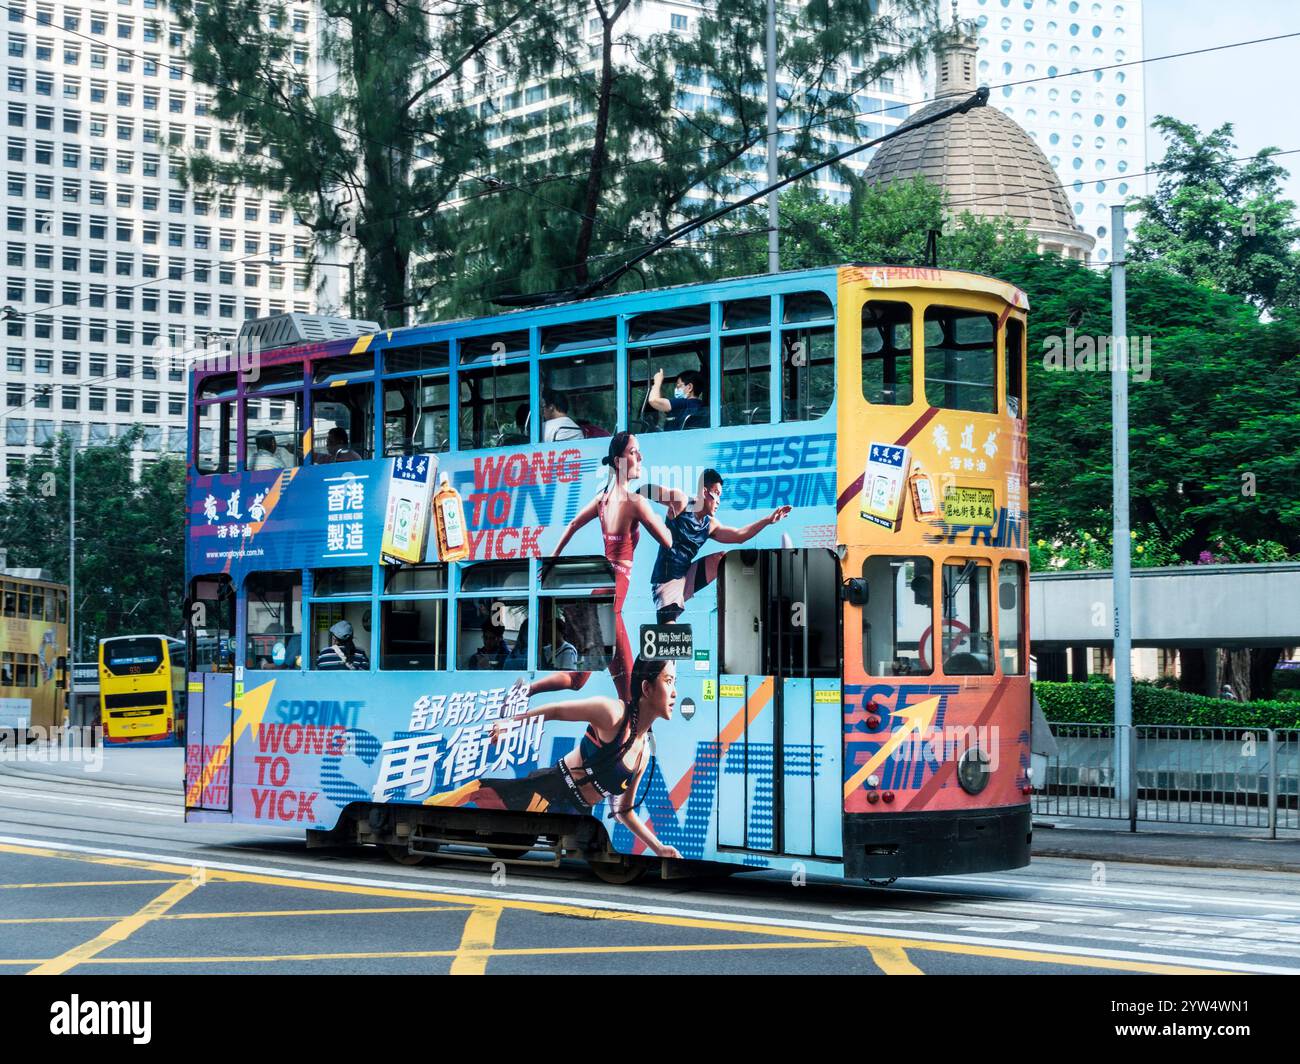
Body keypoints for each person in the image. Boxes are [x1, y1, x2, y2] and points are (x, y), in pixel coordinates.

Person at [438, 656, 684, 860]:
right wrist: (510, 725)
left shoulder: (643, 755)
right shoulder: (612, 714)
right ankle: (435, 809)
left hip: (577, 811)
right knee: (477, 790)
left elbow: (624, 812)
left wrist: (658, 848)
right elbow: (557, 711)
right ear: (647, 688)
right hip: (547, 789)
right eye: (669, 681)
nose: (675, 693)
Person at [533, 432, 672, 701]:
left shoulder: (602, 500)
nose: (640, 457)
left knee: (578, 681)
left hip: (600, 596)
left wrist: (552, 559)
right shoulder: (636, 503)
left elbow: (573, 525)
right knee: (630, 689)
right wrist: (671, 510)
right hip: (610, 601)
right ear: (619, 460)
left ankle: (525, 689)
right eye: (634, 452)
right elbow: (667, 540)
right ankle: (633, 738)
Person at [644, 469, 792, 623]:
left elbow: (739, 535)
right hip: (666, 581)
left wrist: (768, 520)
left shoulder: (710, 525)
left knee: (722, 560)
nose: (719, 501)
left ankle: (754, 594)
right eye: (716, 494)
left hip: (686, 576)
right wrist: (630, 506)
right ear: (704, 492)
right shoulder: (681, 502)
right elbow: (648, 490)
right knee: (669, 636)